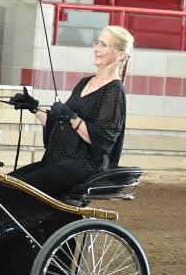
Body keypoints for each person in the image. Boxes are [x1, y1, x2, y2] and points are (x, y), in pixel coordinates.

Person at [8, 25, 133, 197]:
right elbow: (59, 123)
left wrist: (72, 117)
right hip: (60, 160)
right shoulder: (84, 82)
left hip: (83, 166)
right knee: (5, 183)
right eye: (97, 43)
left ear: (121, 55)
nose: (96, 49)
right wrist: (33, 107)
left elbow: (104, 139)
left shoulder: (114, 90)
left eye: (104, 45)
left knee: (14, 190)